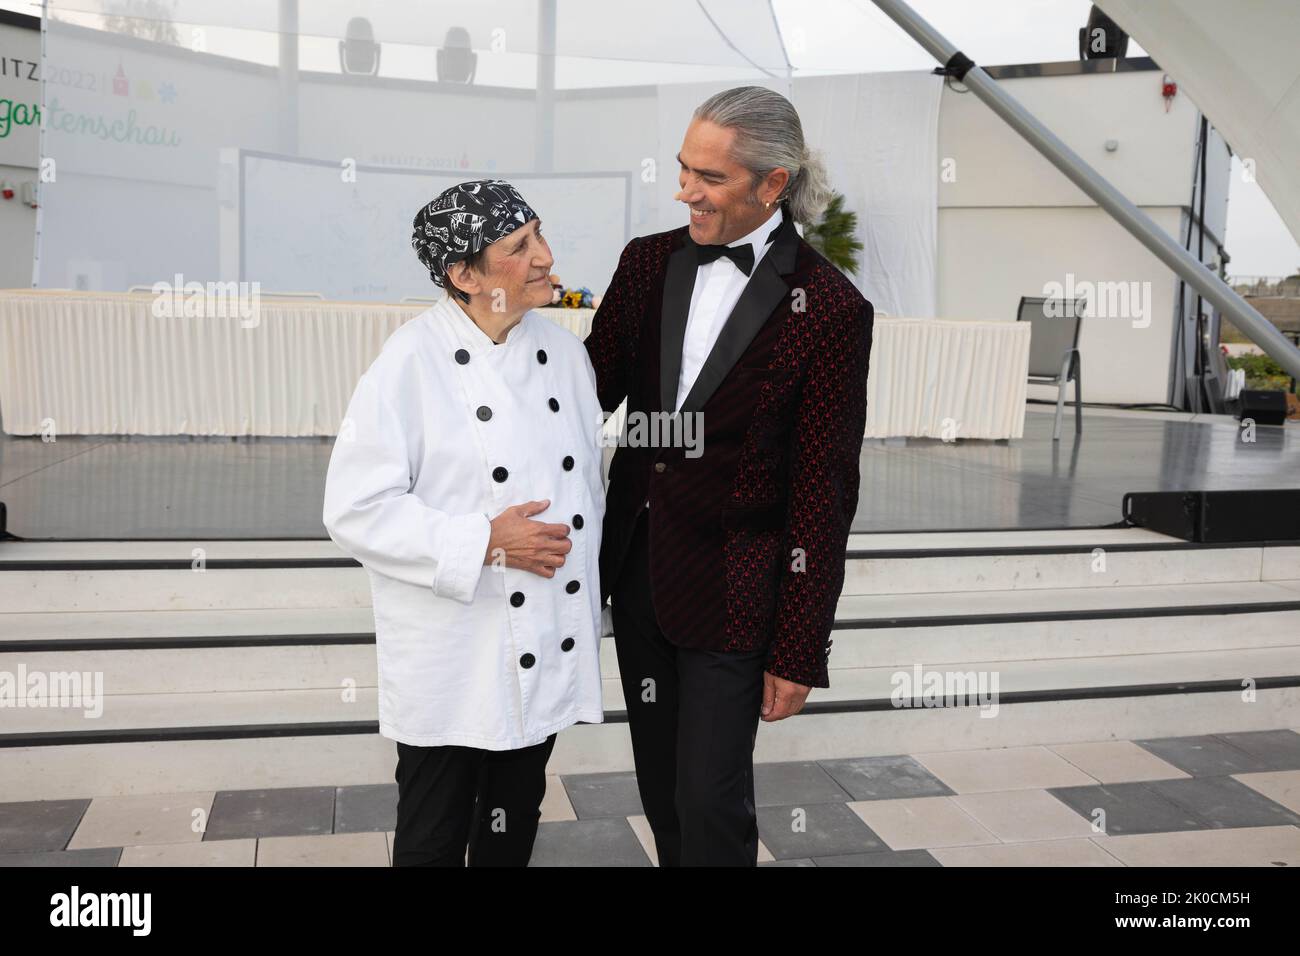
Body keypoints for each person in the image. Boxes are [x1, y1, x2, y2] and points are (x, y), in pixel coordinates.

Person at [585, 87, 873, 866]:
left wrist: (801, 645)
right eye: (684, 169)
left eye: (708, 177)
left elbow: (824, 489)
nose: (685, 191)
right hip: (641, 572)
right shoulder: (646, 262)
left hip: (738, 593)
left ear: (772, 184)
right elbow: (584, 395)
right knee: (663, 792)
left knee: (710, 799)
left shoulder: (833, 308)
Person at [323, 180, 606, 866]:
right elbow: (355, 508)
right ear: (463, 275)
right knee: (433, 836)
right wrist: (484, 540)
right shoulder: (408, 364)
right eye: (519, 245)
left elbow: (587, 491)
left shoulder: (566, 357)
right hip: (455, 652)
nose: (545, 257)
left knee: (513, 826)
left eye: (539, 234)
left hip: (542, 629)